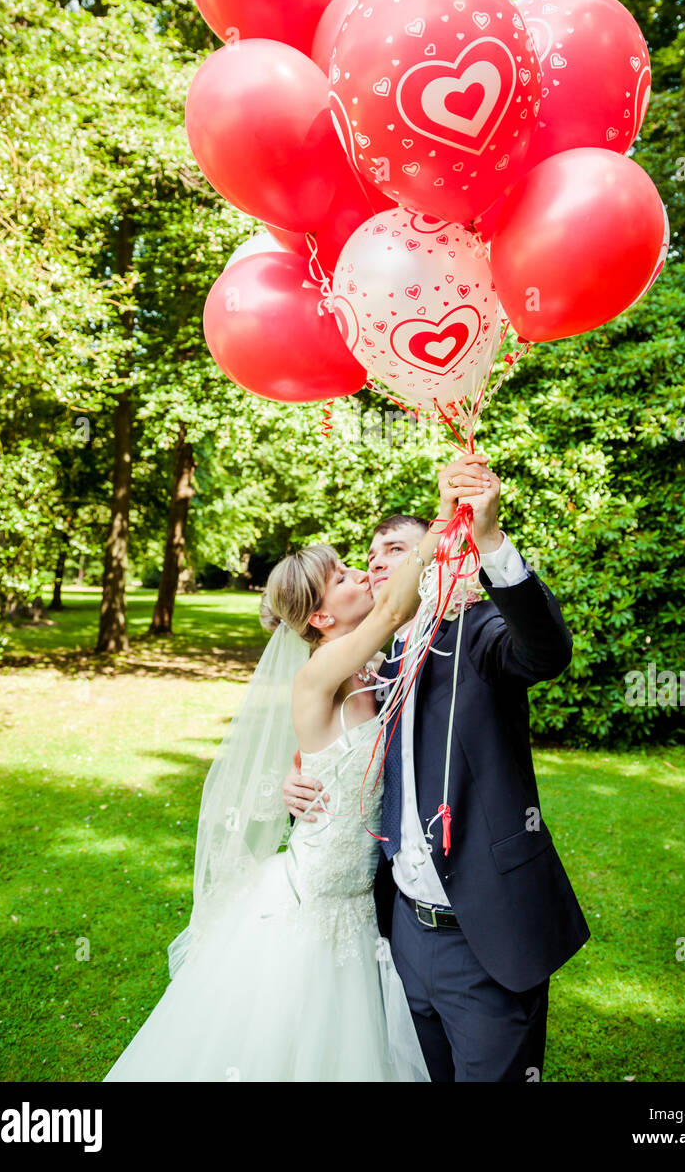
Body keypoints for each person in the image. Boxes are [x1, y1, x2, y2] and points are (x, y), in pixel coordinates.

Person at [102, 454, 490, 1082]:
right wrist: (445, 524)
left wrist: (296, 780)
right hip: (308, 909)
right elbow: (393, 609)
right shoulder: (319, 675)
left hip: (362, 907)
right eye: (342, 576)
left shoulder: (378, 664)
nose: (361, 572)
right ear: (319, 618)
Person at [283, 456, 590, 1082]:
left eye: (393, 548)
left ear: (438, 544)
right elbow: (341, 751)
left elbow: (546, 652)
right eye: (367, 558)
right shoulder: (375, 660)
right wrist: (292, 785)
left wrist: (490, 541)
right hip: (398, 932)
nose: (374, 564)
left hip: (484, 932)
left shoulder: (478, 631)